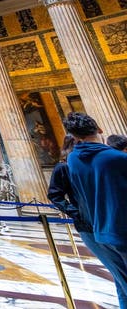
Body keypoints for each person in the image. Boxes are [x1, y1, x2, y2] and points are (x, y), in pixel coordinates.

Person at [64, 112, 127, 308]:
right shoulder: (115, 158)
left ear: (73, 136)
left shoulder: (73, 159)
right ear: (99, 129)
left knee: (122, 284)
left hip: (98, 232)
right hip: (122, 228)